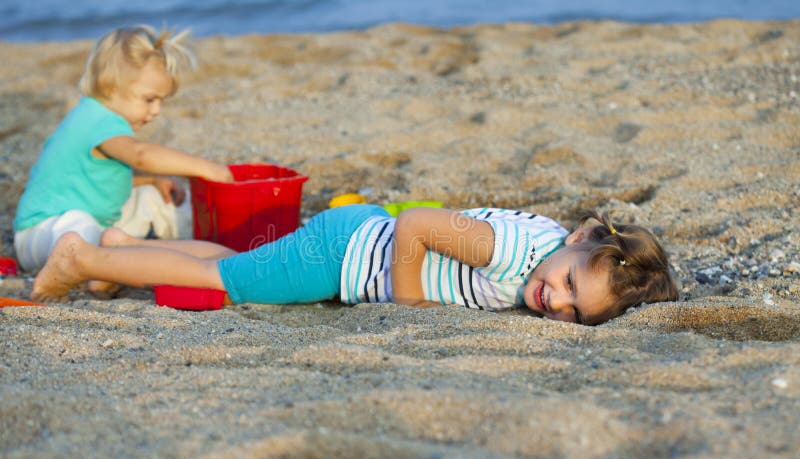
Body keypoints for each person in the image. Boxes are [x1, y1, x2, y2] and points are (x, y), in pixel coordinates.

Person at [31, 205, 679, 325]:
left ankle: (118, 252)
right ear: (580, 237)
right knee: (225, 282)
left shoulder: (548, 248)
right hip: (343, 258)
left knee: (241, 262)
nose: (555, 301)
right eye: (567, 284)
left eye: (573, 311)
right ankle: (79, 256)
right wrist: (406, 307)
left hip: (351, 237)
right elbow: (418, 224)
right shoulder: (512, 252)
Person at [13, 25, 233, 273]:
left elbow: (98, 179)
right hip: (42, 233)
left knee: (153, 198)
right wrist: (205, 168)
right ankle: (102, 267)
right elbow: (141, 155)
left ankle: (187, 238)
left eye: (161, 101)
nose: (157, 110)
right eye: (150, 99)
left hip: (97, 222)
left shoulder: (102, 119)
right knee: (79, 228)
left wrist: (151, 179)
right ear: (111, 87)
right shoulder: (96, 119)